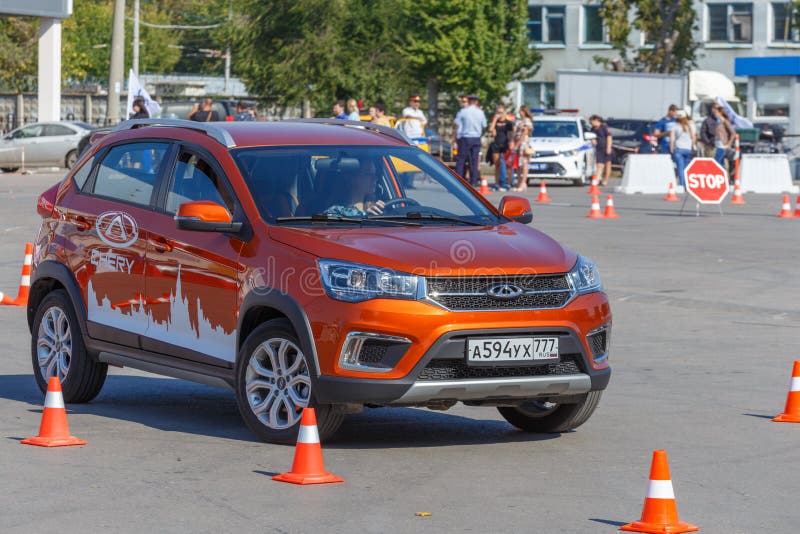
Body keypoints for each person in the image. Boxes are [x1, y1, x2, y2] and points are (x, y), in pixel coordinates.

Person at [454, 95, 487, 186]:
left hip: (465, 137)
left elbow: (457, 124)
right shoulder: (480, 112)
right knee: (474, 160)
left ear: (468, 101)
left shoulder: (463, 112)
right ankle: (474, 181)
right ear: (476, 102)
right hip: (476, 137)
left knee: (461, 160)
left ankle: (459, 180)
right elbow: (484, 125)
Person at [489, 103, 514, 191]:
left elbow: (511, 134)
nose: (500, 114)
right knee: (497, 164)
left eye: (501, 112)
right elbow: (491, 131)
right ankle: (497, 183)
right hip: (497, 144)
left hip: (506, 145)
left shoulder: (508, 123)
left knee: (508, 165)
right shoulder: (495, 122)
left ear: (505, 112)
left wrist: (511, 142)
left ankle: (508, 183)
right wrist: (494, 120)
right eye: (498, 112)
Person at [669, 110, 696, 187]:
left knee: (680, 168)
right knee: (685, 168)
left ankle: (682, 185)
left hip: (678, 149)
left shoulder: (674, 126)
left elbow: (672, 139)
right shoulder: (690, 126)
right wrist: (692, 147)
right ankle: (686, 185)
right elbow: (693, 138)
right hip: (688, 149)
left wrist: (671, 149)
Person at [512, 106, 534, 192]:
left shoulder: (527, 122)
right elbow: (515, 132)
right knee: (518, 164)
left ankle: (523, 183)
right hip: (517, 142)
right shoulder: (519, 121)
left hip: (523, 144)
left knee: (524, 163)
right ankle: (519, 182)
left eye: (521, 111)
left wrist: (517, 144)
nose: (519, 113)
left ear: (524, 112)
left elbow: (524, 134)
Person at [589, 115, 612, 186]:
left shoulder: (604, 127)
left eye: (591, 121)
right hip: (598, 149)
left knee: (607, 165)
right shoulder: (592, 129)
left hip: (606, 147)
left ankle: (605, 180)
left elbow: (609, 137)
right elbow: (591, 136)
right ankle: (597, 180)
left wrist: (608, 147)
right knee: (599, 164)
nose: (591, 123)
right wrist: (593, 139)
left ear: (596, 120)